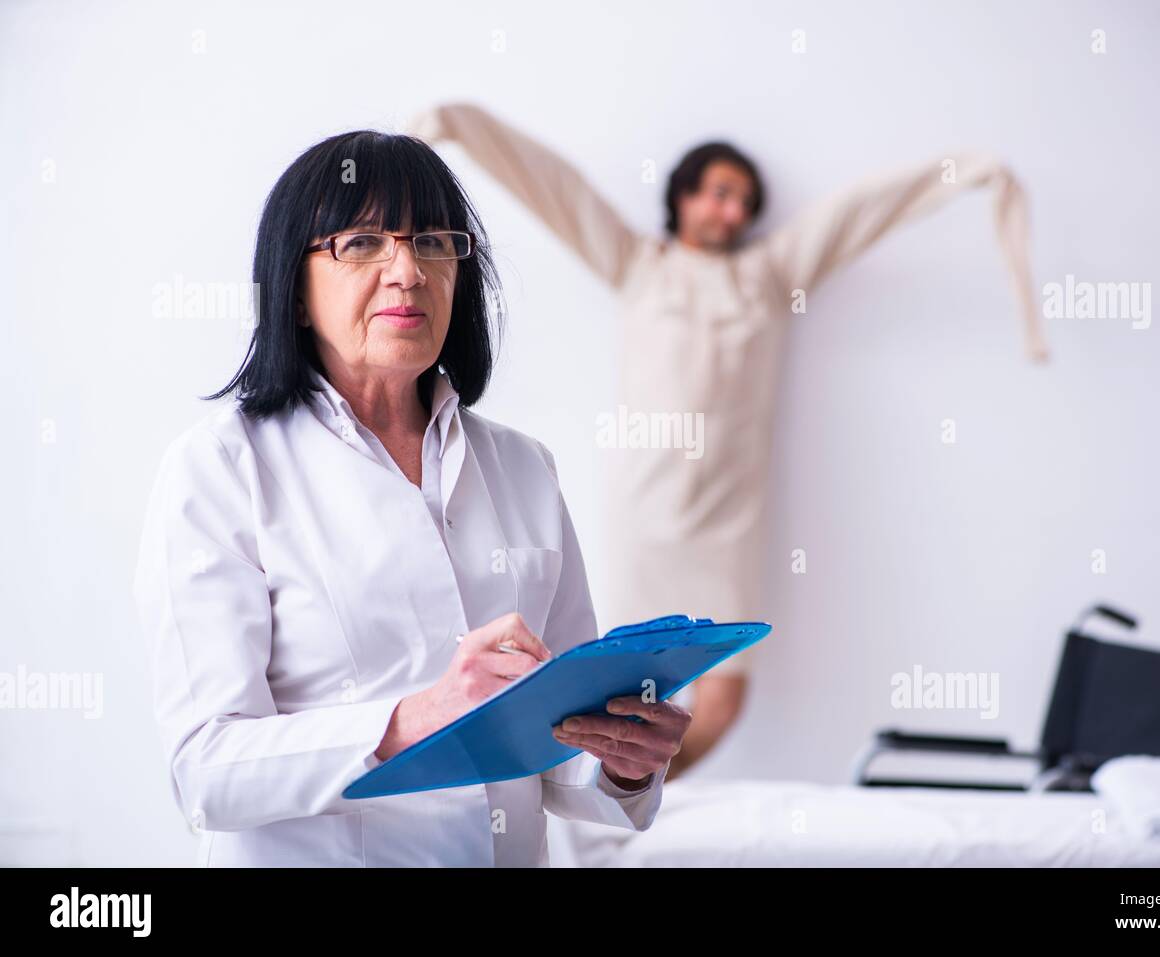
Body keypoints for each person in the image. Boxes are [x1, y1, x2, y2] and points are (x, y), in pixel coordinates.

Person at [407, 103, 1049, 777]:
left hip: (729, 521)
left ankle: (614, 806)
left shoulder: (769, 277)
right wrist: (461, 124)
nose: (732, 211)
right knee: (615, 691)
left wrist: (966, 173)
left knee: (720, 700)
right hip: (647, 514)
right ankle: (598, 813)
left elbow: (859, 212)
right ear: (682, 196)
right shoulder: (638, 266)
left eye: (744, 201)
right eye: (719, 192)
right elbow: (557, 187)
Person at [131, 128, 690, 867]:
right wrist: (413, 719)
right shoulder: (219, 469)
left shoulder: (525, 468)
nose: (408, 270)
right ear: (294, 292)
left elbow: (559, 742)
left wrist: (622, 758)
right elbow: (206, 769)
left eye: (432, 241)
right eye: (362, 243)